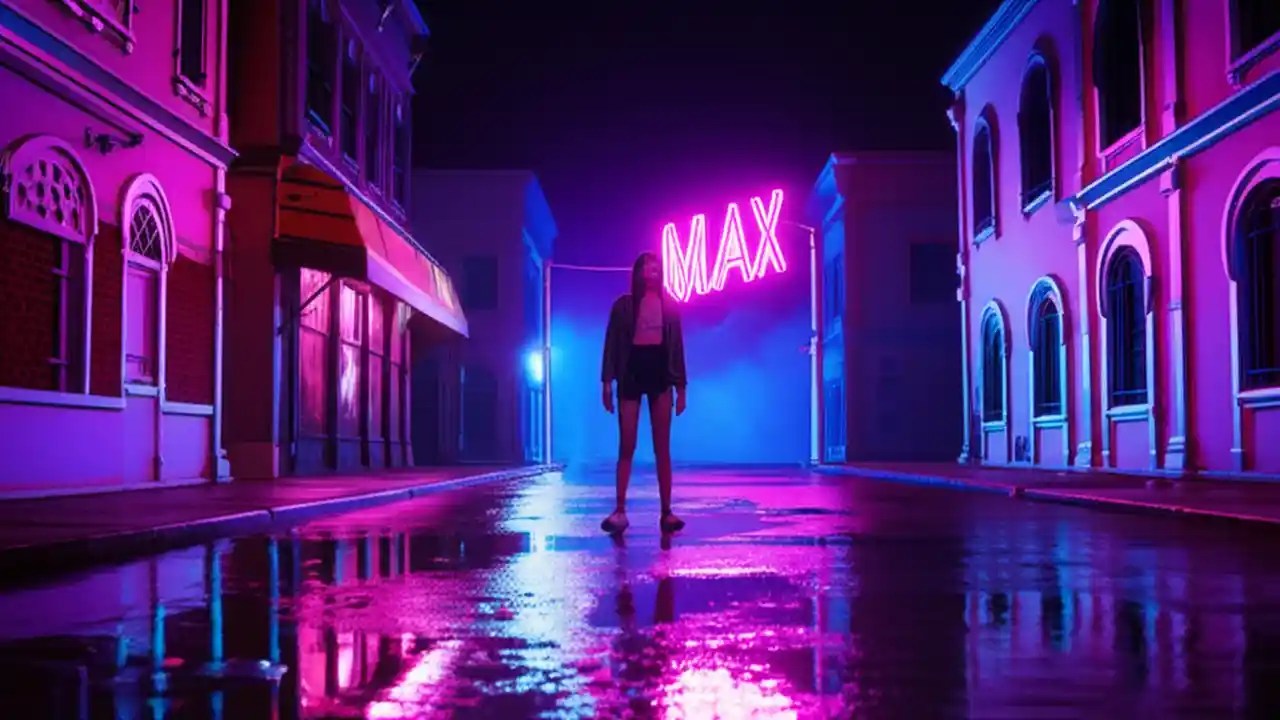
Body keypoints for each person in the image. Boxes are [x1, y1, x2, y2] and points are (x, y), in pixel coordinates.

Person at [600, 251, 687, 534]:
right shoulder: (622, 306)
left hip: (660, 377)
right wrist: (607, 382)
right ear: (637, 272)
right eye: (647, 268)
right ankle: (620, 510)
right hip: (630, 376)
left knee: (663, 447)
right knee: (627, 445)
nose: (653, 272)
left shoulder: (669, 306)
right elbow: (611, 344)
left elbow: (676, 349)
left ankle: (666, 512)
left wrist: (681, 387)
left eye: (657, 268)